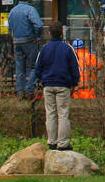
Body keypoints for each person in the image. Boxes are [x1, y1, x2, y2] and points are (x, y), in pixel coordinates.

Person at [34, 22, 80, 151]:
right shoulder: (67, 48)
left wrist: (41, 80)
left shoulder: (44, 49)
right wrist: (75, 82)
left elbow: (37, 68)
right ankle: (63, 143)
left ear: (49, 34)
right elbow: (74, 67)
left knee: (50, 114)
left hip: (48, 85)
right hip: (63, 85)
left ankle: (52, 141)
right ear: (62, 33)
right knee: (63, 114)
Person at [7, 0, 44, 99]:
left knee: (20, 67)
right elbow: (38, 25)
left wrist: (13, 37)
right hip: (29, 41)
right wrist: (37, 37)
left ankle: (20, 91)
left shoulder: (12, 11)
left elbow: (10, 27)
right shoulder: (30, 10)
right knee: (34, 66)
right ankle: (29, 89)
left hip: (17, 41)